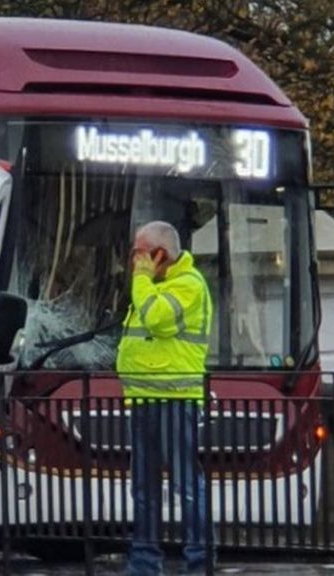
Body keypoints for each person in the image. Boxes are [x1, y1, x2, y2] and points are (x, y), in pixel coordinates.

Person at [116, 221, 214, 576]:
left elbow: (158, 321)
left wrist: (142, 280)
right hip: (144, 397)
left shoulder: (189, 285)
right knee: (143, 487)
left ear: (160, 254)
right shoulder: (155, 287)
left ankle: (199, 561)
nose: (134, 261)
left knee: (186, 485)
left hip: (175, 398)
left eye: (139, 253)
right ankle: (144, 560)